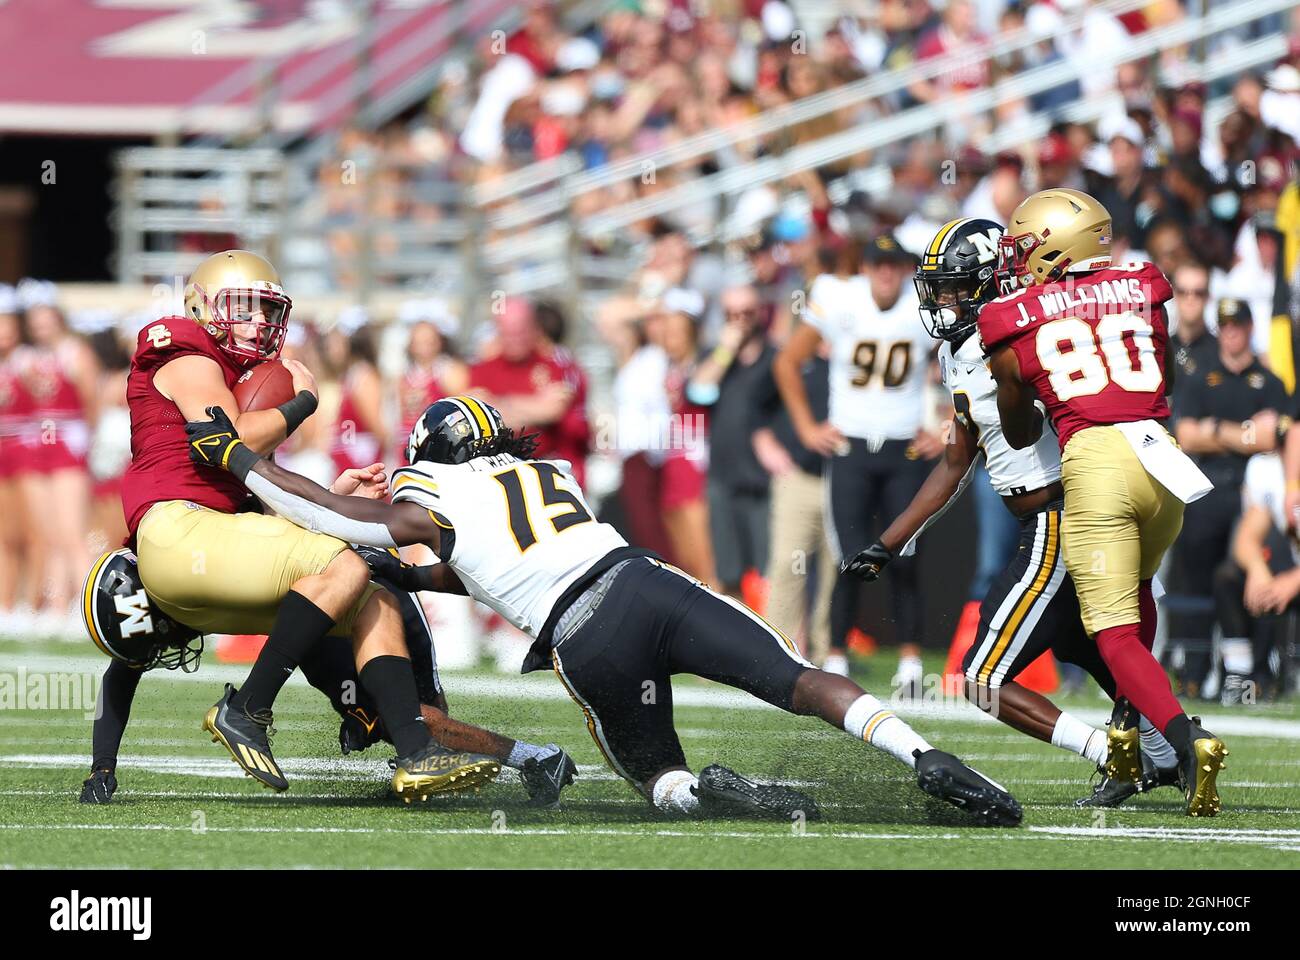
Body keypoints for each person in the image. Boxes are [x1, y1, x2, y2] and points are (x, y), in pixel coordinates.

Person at [184, 396, 1025, 826]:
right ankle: (923, 753)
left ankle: (702, 793)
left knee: (655, 780)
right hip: (641, 580)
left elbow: (338, 517)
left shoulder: (428, 487)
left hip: (583, 638)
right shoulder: (548, 476)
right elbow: (501, 563)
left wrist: (242, 460)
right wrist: (408, 573)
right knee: (800, 679)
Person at [122, 249, 495, 801]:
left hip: (216, 539)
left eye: (267, 312)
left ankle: (414, 750)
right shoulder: (186, 352)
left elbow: (247, 493)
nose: (259, 324)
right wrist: (303, 404)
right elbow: (228, 444)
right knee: (342, 562)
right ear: (202, 307)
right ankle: (248, 707)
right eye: (244, 309)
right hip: (180, 533)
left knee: (371, 592)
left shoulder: (229, 373)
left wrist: (332, 500)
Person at [844, 217, 1180, 807]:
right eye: (938, 289)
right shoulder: (960, 351)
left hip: (1060, 511)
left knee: (982, 679)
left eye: (953, 287)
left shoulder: (1029, 329)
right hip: (1044, 514)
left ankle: (1114, 753)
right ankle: (1167, 745)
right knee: (1083, 645)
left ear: (987, 281)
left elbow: (1029, 433)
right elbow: (956, 460)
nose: (942, 302)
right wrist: (888, 543)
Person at [979, 187, 1227, 817]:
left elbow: (1017, 433)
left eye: (1026, 247)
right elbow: (1160, 371)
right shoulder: (1146, 285)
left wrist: (1025, 385)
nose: (1017, 259)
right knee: (1139, 602)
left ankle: (1182, 741)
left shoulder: (1012, 319)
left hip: (1095, 463)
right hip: (1159, 455)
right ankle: (1144, 750)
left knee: (1112, 635)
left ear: (1054, 248)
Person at [77, 547, 576, 806]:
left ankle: (536, 758)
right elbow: (122, 675)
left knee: (416, 722)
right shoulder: (176, 584)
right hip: (316, 627)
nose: (167, 648)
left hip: (368, 598)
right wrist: (102, 765)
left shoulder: (193, 574)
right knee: (381, 719)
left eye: (160, 638)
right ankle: (381, 728)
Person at [774, 232, 941, 684]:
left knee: (905, 555)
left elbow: (963, 358)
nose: (886, 273)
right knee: (849, 555)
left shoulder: (922, 304)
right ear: (864, 267)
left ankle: (910, 663)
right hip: (850, 447)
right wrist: (808, 428)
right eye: (877, 264)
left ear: (906, 269)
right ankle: (836, 658)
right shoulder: (837, 296)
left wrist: (945, 423)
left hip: (903, 446)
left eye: (894, 265)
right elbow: (787, 361)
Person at [1171, 298, 1289, 697]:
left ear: (1249, 326)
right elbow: (1185, 436)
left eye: (1238, 323)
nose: (1231, 331)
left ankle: (1251, 675)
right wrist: (1241, 434)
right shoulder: (1198, 374)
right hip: (1204, 487)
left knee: (1239, 578)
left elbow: (1277, 435)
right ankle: (1193, 669)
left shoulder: (1268, 381)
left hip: (1253, 492)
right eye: (1225, 324)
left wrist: (1215, 431)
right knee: (1195, 577)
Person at [17, 284, 99, 636]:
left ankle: (89, 607)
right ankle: (56, 606)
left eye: (46, 317)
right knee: (48, 532)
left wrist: (87, 439)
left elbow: (91, 401)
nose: (41, 326)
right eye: (35, 319)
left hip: (68, 445)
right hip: (39, 447)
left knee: (71, 532)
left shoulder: (75, 352)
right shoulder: (25, 357)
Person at [686, 285, 775, 600]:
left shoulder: (775, 357)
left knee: (771, 574)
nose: (739, 321)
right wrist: (726, 351)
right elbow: (697, 391)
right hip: (723, 478)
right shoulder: (716, 357)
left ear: (761, 313)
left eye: (747, 313)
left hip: (765, 481)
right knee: (728, 574)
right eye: (731, 315)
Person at [471, 297, 590, 486]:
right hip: (500, 479)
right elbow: (475, 415)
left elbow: (553, 411)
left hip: (552, 475)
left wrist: (498, 404)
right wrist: (535, 405)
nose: (515, 339)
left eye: (520, 331)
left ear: (534, 328)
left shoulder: (556, 364)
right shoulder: (482, 369)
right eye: (508, 333)